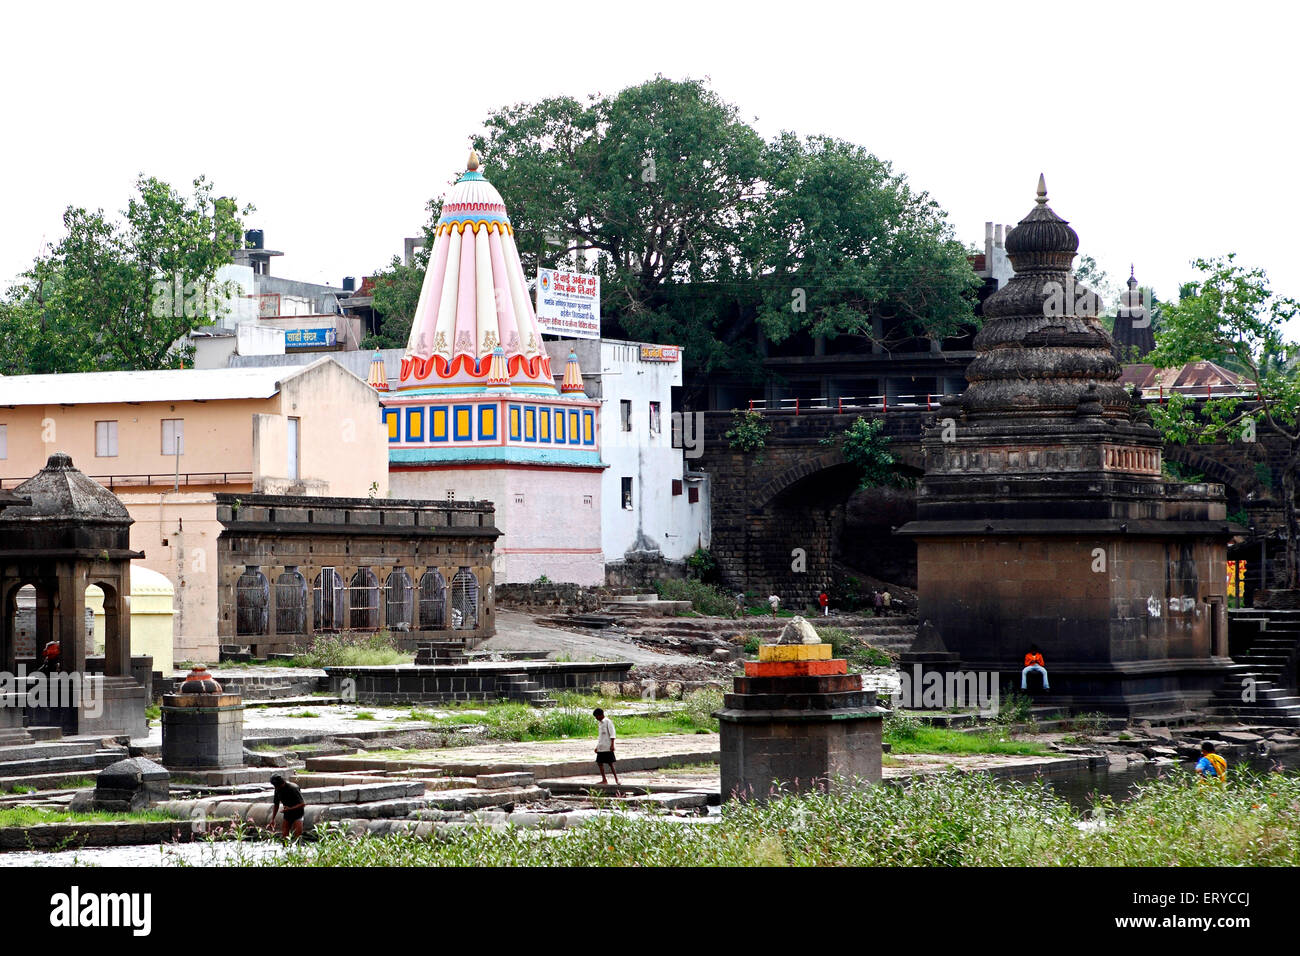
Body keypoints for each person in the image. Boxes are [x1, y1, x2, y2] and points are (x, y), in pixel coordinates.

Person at [268, 773, 306, 839]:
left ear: (281, 783)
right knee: (284, 836)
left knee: (298, 836)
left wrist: (290, 808)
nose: (276, 787)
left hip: (298, 813)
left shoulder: (293, 788)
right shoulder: (277, 790)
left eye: (276, 786)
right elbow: (276, 804)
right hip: (287, 813)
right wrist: (272, 819)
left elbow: (302, 804)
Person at [593, 708, 619, 787]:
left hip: (608, 747)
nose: (596, 718)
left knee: (610, 764)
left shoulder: (608, 722)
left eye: (597, 716)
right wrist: (597, 746)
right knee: (599, 763)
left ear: (601, 715)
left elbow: (612, 734)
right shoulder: (600, 723)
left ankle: (616, 779)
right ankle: (604, 779)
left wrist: (612, 745)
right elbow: (601, 737)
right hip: (601, 747)